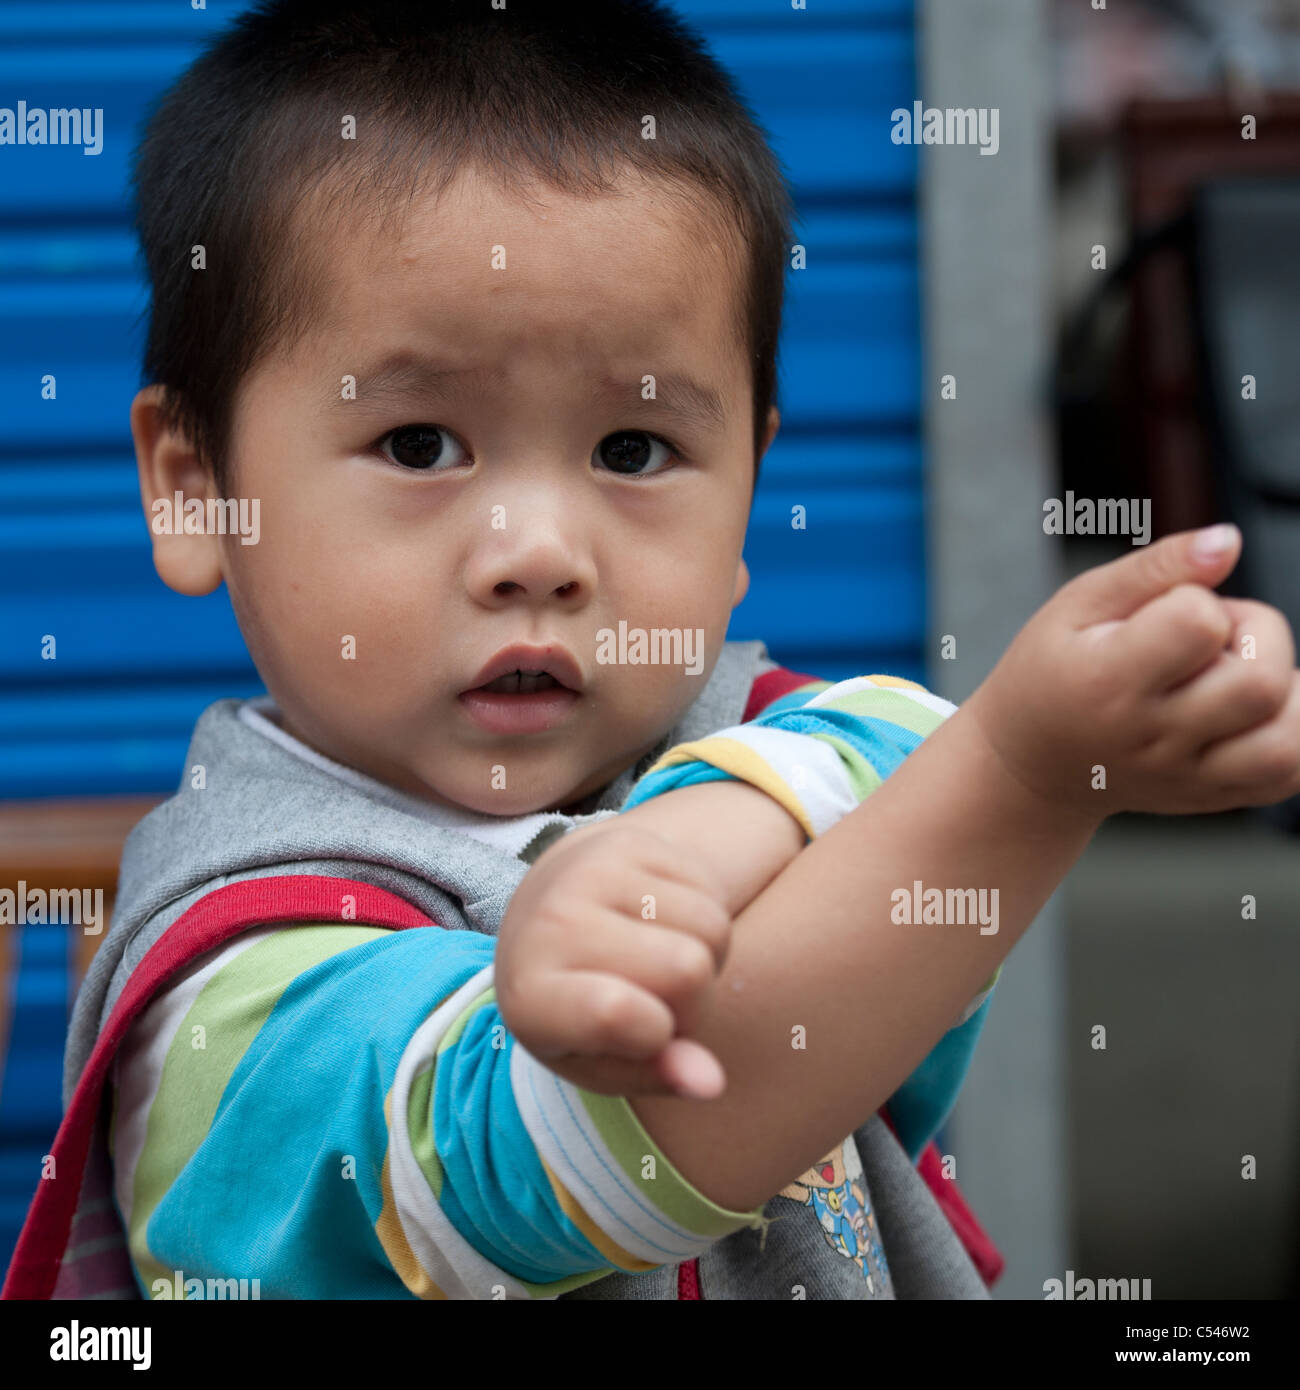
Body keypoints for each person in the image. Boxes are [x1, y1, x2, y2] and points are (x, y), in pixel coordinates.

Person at [6, 0, 1299, 1302]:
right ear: (193, 485)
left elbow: (904, 751)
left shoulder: (730, 734)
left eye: (632, 451)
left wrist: (700, 836)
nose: (539, 551)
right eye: (418, 444)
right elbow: (552, 1166)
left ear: (745, 500)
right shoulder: (233, 980)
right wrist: (1024, 775)